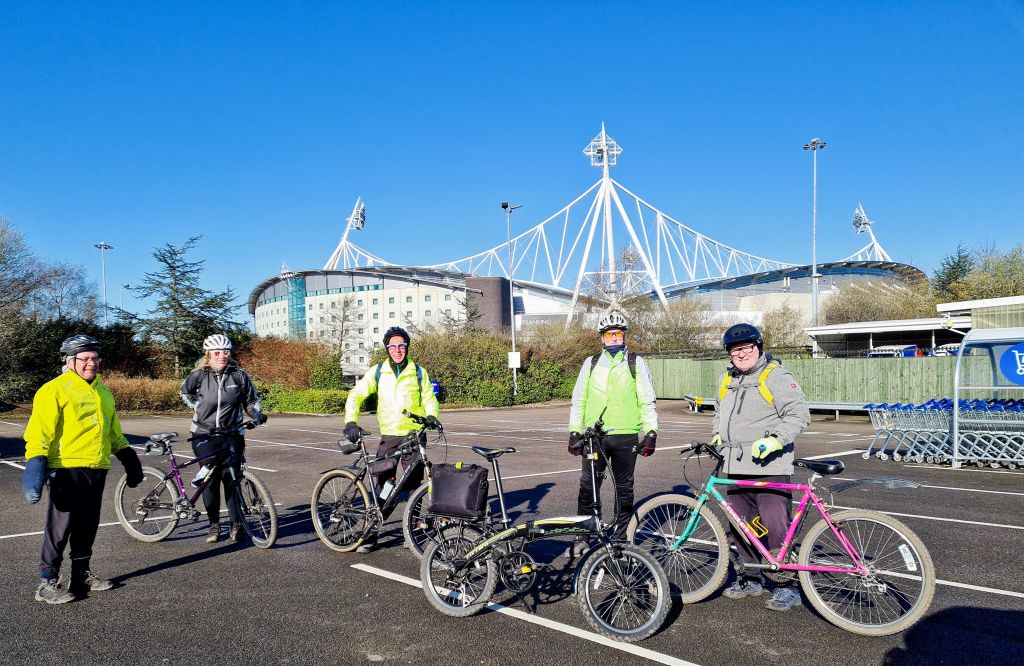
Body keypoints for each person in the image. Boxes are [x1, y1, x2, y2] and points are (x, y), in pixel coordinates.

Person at [22, 334, 144, 604]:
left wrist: (127, 455)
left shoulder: (103, 392)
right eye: (85, 358)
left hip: (96, 467)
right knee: (60, 528)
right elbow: (39, 431)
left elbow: (113, 433)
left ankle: (81, 576)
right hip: (65, 468)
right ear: (70, 360)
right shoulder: (54, 389)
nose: (92, 363)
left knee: (87, 525)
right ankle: (46, 583)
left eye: (95, 358)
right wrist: (36, 463)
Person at [711, 323, 811, 611]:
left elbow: (799, 414)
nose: (741, 354)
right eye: (735, 350)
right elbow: (718, 411)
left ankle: (786, 585)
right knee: (741, 526)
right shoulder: (726, 379)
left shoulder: (774, 375)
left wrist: (777, 440)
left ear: (758, 347)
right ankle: (751, 577)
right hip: (735, 465)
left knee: (776, 527)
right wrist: (718, 432)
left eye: (746, 348)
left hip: (769, 466)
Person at [344, 326, 441, 553]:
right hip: (389, 436)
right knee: (384, 485)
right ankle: (371, 533)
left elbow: (429, 398)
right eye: (393, 346)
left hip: (415, 436)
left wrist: (432, 417)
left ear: (407, 347)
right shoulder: (378, 372)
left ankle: (412, 534)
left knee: (413, 487)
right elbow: (356, 394)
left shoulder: (418, 372)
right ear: (387, 348)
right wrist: (350, 421)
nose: (398, 350)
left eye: (402, 345)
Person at [568, 310, 658, 544]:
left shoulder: (635, 362)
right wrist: (574, 431)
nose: (614, 338)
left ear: (624, 336)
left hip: (626, 435)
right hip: (594, 436)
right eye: (609, 335)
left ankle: (619, 538)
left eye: (618, 334)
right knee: (589, 486)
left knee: (624, 489)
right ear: (602, 338)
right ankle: (584, 534)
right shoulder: (591, 363)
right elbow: (580, 398)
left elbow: (646, 399)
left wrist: (650, 432)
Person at [179, 333, 266, 544]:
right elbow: (184, 392)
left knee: (232, 478)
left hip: (232, 433)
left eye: (226, 351)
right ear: (208, 354)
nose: (222, 356)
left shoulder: (239, 375)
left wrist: (256, 414)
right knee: (211, 478)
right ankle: (214, 525)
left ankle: (236, 525)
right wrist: (198, 406)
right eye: (217, 352)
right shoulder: (199, 375)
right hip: (204, 434)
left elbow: (251, 400)